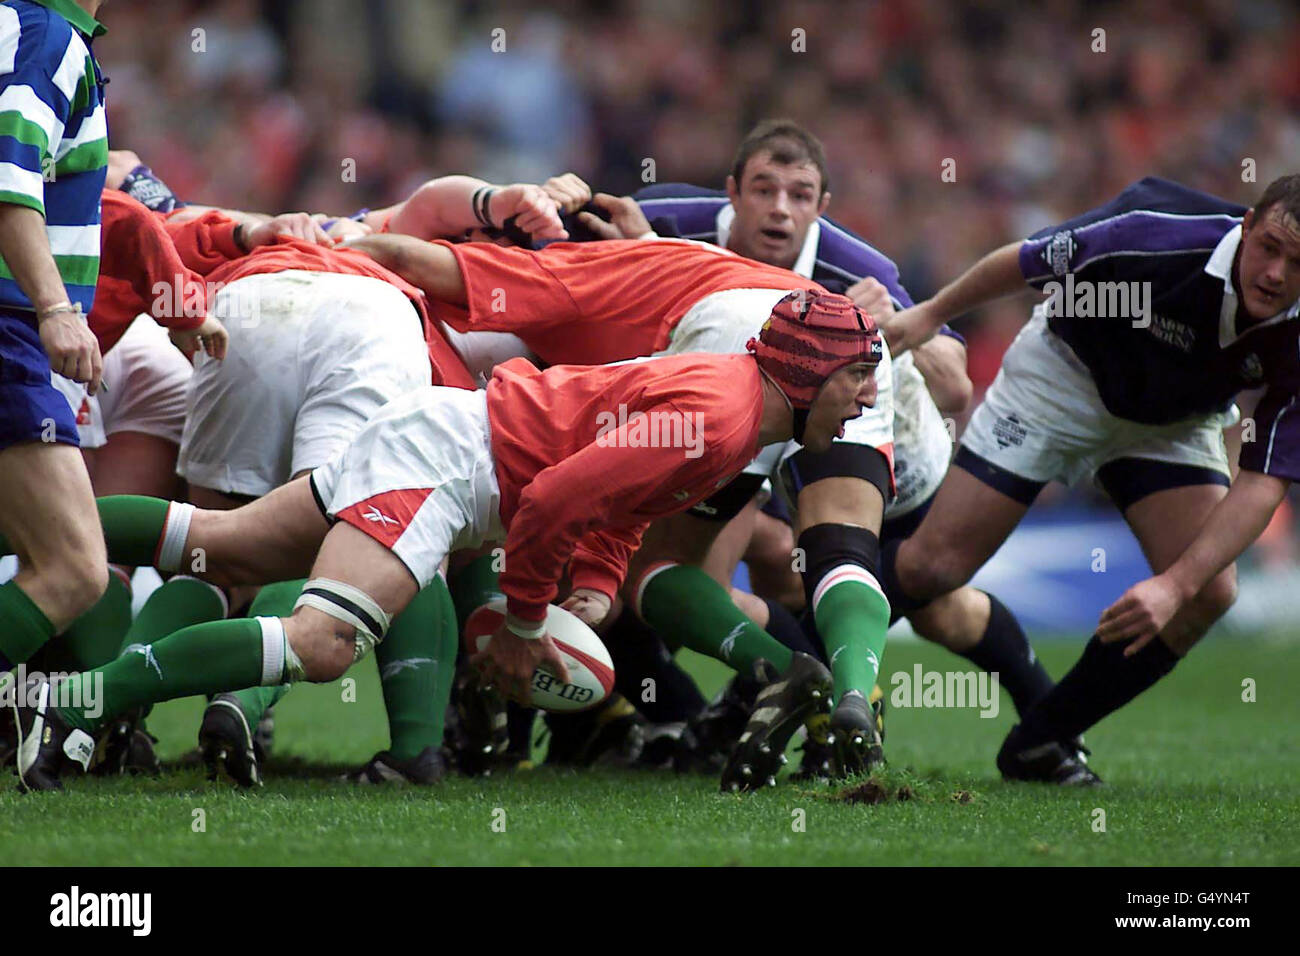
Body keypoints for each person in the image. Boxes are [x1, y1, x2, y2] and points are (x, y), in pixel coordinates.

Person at [8, 291, 883, 792]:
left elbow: (618, 502)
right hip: (453, 466)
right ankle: (76, 699)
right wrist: (526, 622)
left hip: (455, 448)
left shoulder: (735, 407)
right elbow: (550, 500)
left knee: (222, 543)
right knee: (323, 645)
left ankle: (47, 552)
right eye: (858, 377)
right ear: (811, 371)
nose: (866, 401)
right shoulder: (721, 416)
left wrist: (598, 583)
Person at [882, 174, 1300, 784]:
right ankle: (782, 667)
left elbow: (1265, 481)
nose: (1276, 273)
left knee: (1209, 593)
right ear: (1245, 226)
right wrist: (932, 314)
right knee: (932, 569)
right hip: (1062, 380)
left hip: (1171, 425)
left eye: (1298, 262)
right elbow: (1027, 260)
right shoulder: (1154, 236)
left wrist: (1175, 585)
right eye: (1270, 247)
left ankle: (1039, 743)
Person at [0, 0, 110, 689]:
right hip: (9, 323)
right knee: (73, 569)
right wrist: (55, 308)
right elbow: (8, 180)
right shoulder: (49, 35)